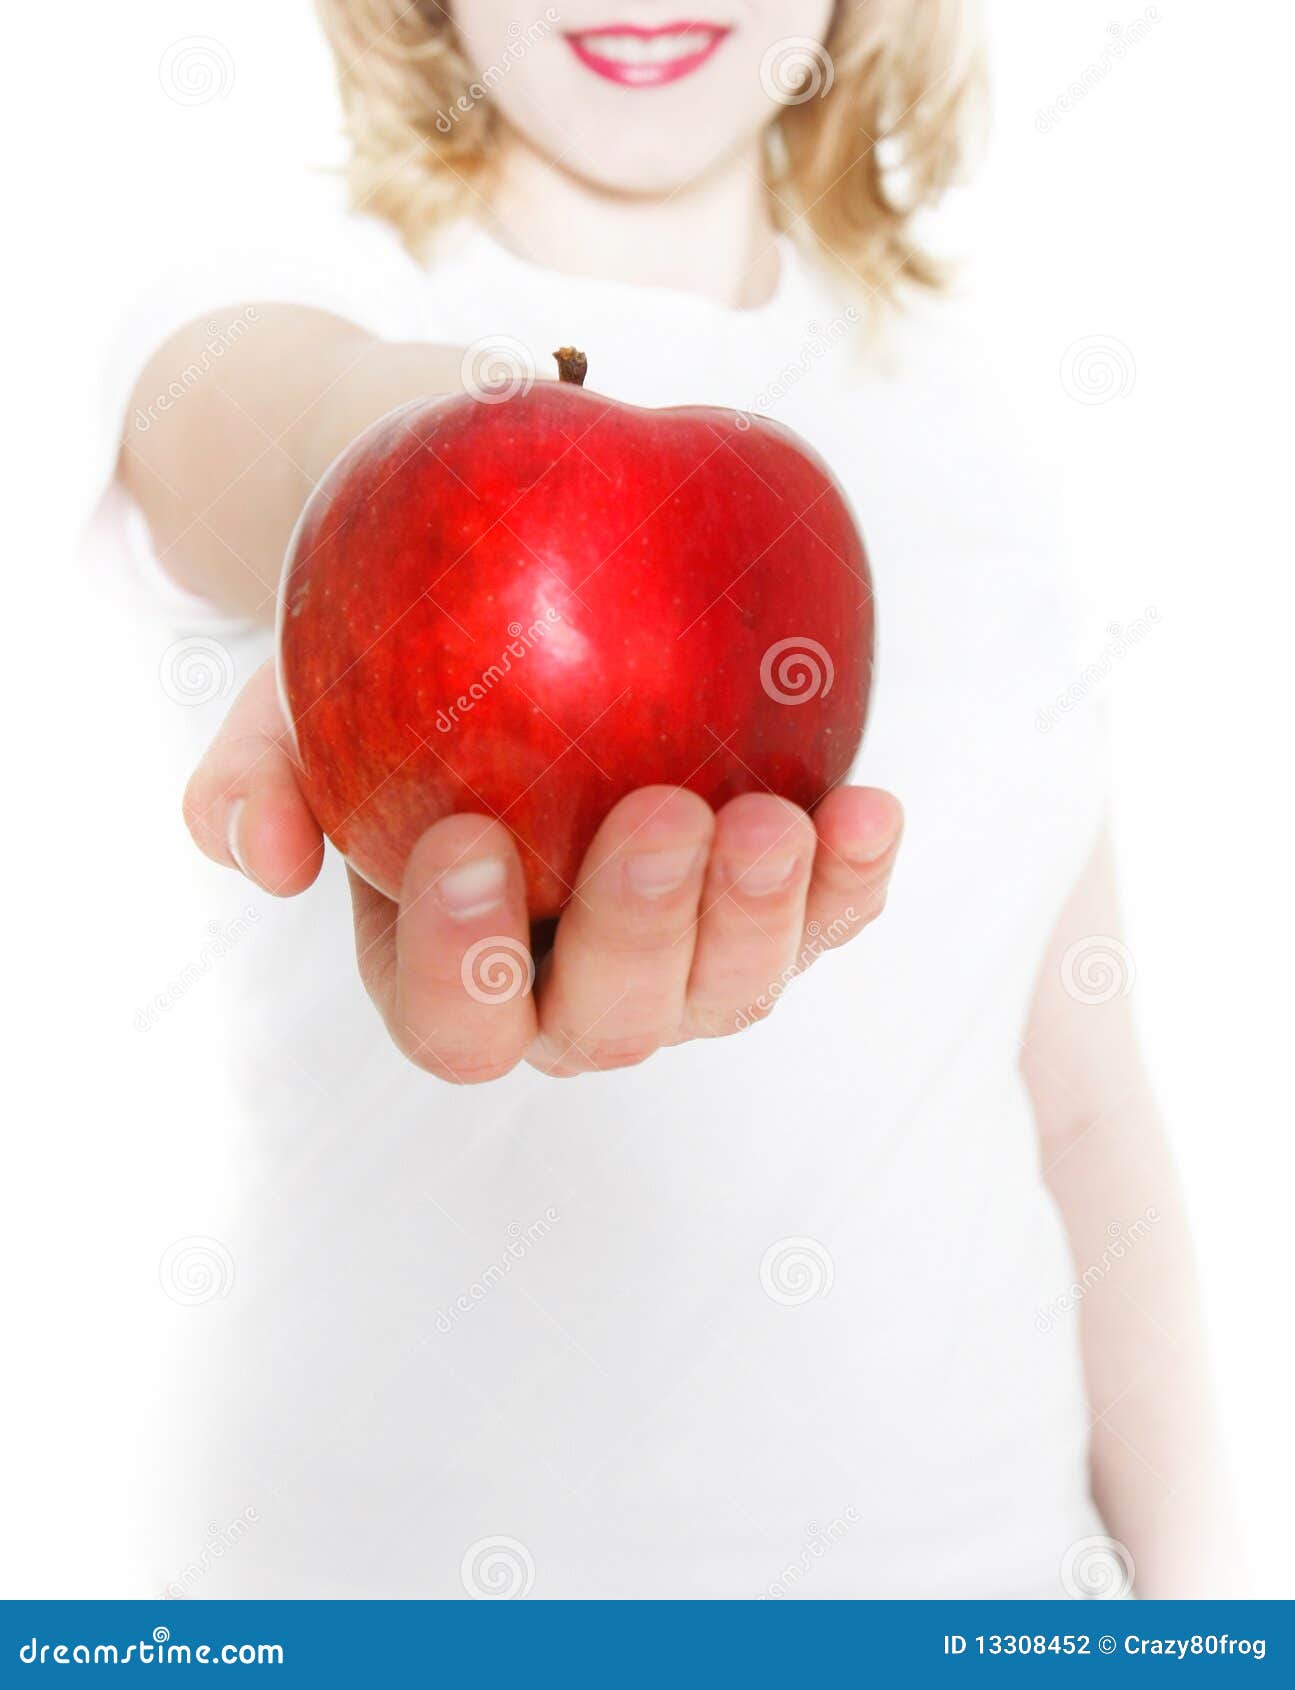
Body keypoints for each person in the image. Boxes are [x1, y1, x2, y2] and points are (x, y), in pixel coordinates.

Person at [106, 0, 1233, 1597]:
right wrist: (383, 463)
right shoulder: (307, 292)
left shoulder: (968, 406)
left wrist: (1207, 1605)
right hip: (404, 1600)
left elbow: (1087, 1103)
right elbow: (248, 414)